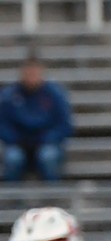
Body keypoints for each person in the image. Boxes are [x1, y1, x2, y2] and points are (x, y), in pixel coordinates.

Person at [0, 55, 74, 183]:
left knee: (48, 157)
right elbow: (2, 124)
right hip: (18, 144)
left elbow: (64, 125)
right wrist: (16, 139)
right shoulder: (9, 96)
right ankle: (12, 200)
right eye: (28, 72)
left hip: (47, 144)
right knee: (13, 158)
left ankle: (52, 196)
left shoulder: (55, 94)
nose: (31, 76)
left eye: (34, 72)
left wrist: (47, 139)